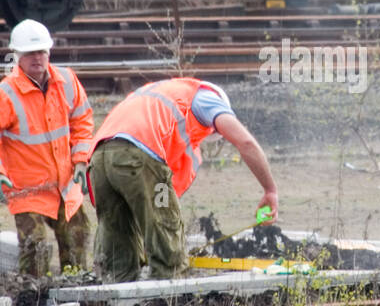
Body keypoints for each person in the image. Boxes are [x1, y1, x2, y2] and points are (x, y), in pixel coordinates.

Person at [88, 76, 279, 282]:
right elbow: (246, 142)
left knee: (116, 241)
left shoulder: (157, 93)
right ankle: (170, 298)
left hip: (99, 160)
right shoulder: (206, 98)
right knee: (165, 225)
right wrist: (270, 190)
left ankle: (118, 303)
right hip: (137, 154)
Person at [0, 20, 93, 276]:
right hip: (27, 190)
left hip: (64, 185)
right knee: (34, 247)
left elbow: (82, 122)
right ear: (17, 56)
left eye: (41, 52)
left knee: (77, 235)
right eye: (30, 54)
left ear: (49, 52)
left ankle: (76, 291)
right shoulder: (2, 95)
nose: (37, 58)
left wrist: (81, 159)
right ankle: (32, 299)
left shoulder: (67, 82)